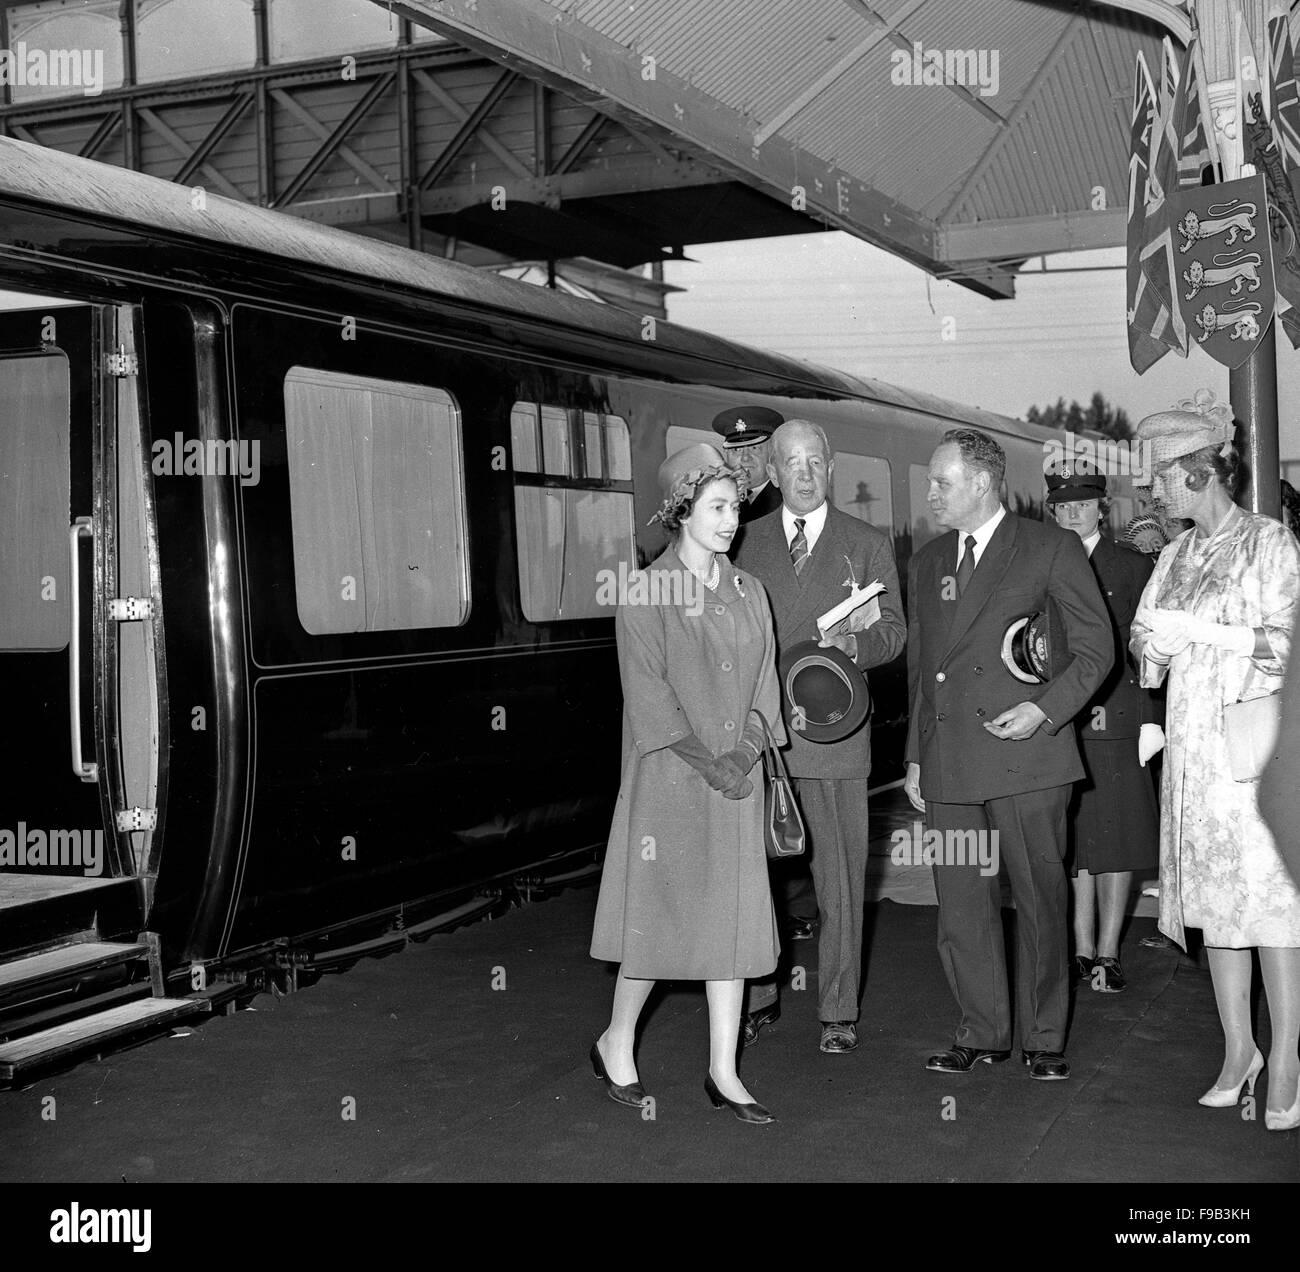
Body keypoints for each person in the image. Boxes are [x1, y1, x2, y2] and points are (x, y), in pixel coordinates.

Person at [904, 429, 1112, 1081]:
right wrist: (915, 755)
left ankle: (1044, 1039)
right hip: (951, 764)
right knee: (962, 906)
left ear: (983, 484)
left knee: (1040, 901)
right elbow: (922, 668)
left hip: (1029, 756)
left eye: (943, 481)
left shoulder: (1049, 548)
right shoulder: (928, 560)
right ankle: (982, 1030)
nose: (931, 493)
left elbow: (1096, 649)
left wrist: (1046, 710)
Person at [590, 443, 784, 1124]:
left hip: (738, 779)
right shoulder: (646, 591)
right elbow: (650, 702)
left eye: (736, 507)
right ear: (681, 511)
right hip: (673, 783)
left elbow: (767, 685)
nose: (734, 520)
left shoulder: (749, 591)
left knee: (727, 923)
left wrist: (750, 749)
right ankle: (617, 1040)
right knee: (661, 920)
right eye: (720, 507)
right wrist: (715, 763)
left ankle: (725, 1071)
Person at [1129, 390, 1300, 1131]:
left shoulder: (1271, 544)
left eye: (1163, 478)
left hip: (1256, 759)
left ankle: (1287, 1060)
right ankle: (1239, 1053)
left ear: (1199, 471)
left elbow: (1291, 645)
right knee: (1217, 911)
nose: (1156, 492)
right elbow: (1143, 649)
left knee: (1270, 912)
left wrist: (1212, 631)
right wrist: (1155, 646)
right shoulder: (1172, 554)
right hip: (1195, 765)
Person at [733, 419, 906, 1054]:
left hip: (836, 738)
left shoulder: (865, 541)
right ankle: (756, 994)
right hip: (763, 743)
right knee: (755, 878)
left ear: (830, 467)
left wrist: (855, 644)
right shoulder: (742, 542)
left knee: (840, 882)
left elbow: (895, 632)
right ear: (771, 473)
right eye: (791, 463)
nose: (804, 474)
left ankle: (838, 1009)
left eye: (815, 461)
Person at [1047, 466, 1162, 993]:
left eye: (1082, 504)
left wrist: (1152, 720)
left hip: (1120, 719)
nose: (1071, 513)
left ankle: (1108, 953)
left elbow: (1152, 648)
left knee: (1117, 838)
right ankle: (1078, 947)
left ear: (1101, 509)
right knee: (1074, 840)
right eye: (1062, 506)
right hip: (1059, 720)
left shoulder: (1133, 566)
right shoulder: (1039, 562)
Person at [715, 405, 818, 946]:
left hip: (785, 670)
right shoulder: (726, 510)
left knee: (786, 792)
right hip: (746, 672)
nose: (744, 461)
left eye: (753, 451)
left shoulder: (784, 509)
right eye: (735, 451)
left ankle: (793, 903)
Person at [713, 406, 785, 527]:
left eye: (754, 448)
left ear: (772, 453)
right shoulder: (716, 496)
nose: (745, 458)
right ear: (726, 457)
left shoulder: (787, 501)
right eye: (737, 449)